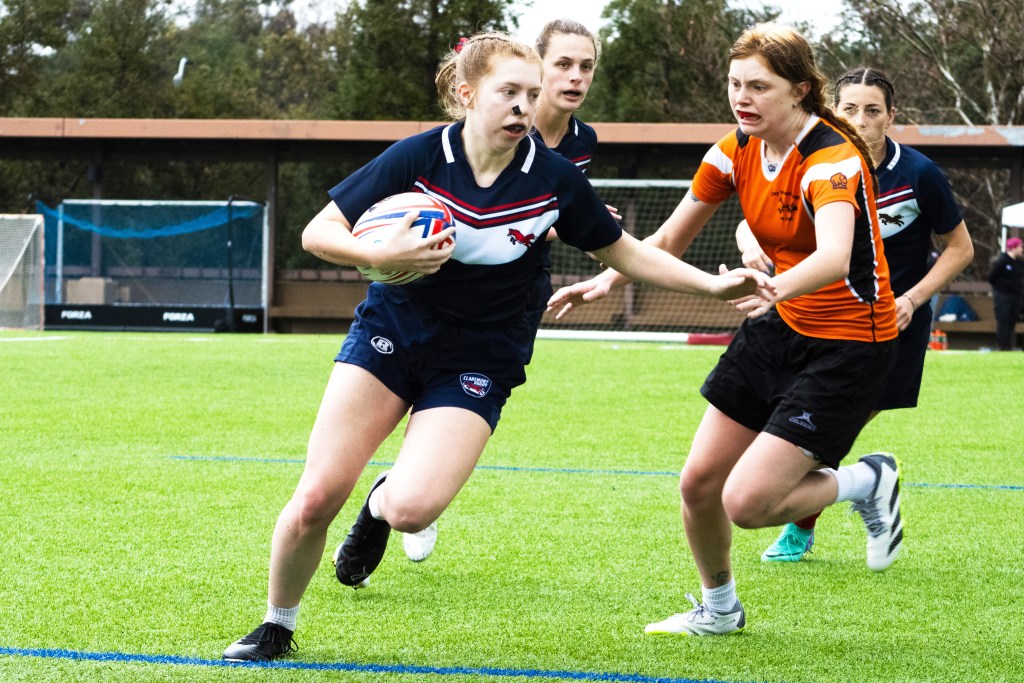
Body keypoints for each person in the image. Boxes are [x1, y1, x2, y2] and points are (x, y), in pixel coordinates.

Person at [222, 31, 773, 662]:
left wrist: (713, 284)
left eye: (530, 96)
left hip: (480, 356)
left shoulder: (556, 178)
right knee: (318, 495)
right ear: (466, 94)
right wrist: (379, 253)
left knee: (410, 508)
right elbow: (318, 232)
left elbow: (624, 252)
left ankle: (380, 501)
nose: (522, 107)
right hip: (391, 335)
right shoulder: (419, 156)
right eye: (507, 92)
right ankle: (276, 625)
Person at [548, 23, 904, 637]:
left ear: (798, 91)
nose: (742, 97)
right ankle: (719, 611)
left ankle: (867, 480)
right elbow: (669, 238)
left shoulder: (830, 158)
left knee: (749, 505)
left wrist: (768, 288)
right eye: (735, 83)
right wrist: (608, 282)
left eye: (759, 87)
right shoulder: (733, 148)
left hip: (850, 342)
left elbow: (834, 258)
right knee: (699, 482)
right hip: (777, 323)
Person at [739, 66, 974, 562]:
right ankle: (859, 489)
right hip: (808, 320)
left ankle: (803, 525)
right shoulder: (816, 160)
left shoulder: (919, 175)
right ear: (831, 110)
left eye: (872, 111)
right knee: (809, 431)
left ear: (892, 117)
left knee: (827, 432)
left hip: (887, 328)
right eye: (849, 109)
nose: (860, 120)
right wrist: (749, 249)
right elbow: (751, 221)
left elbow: (959, 249)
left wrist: (911, 299)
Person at [401, 18, 605, 564]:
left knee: (448, 420)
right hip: (442, 289)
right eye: (563, 63)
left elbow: (541, 214)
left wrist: (584, 230)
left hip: (510, 298)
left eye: (586, 66)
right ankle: (400, 499)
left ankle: (400, 500)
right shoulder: (498, 123)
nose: (575, 76)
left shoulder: (582, 141)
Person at [988, 236, 1024, 350]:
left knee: (1012, 321)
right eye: (1020, 247)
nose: (1022, 249)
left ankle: (1009, 345)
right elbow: (991, 278)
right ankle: (1003, 346)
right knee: (1003, 320)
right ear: (1013, 248)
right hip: (1002, 296)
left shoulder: (1019, 262)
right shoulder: (1002, 261)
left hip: (1016, 296)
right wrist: (1002, 288)